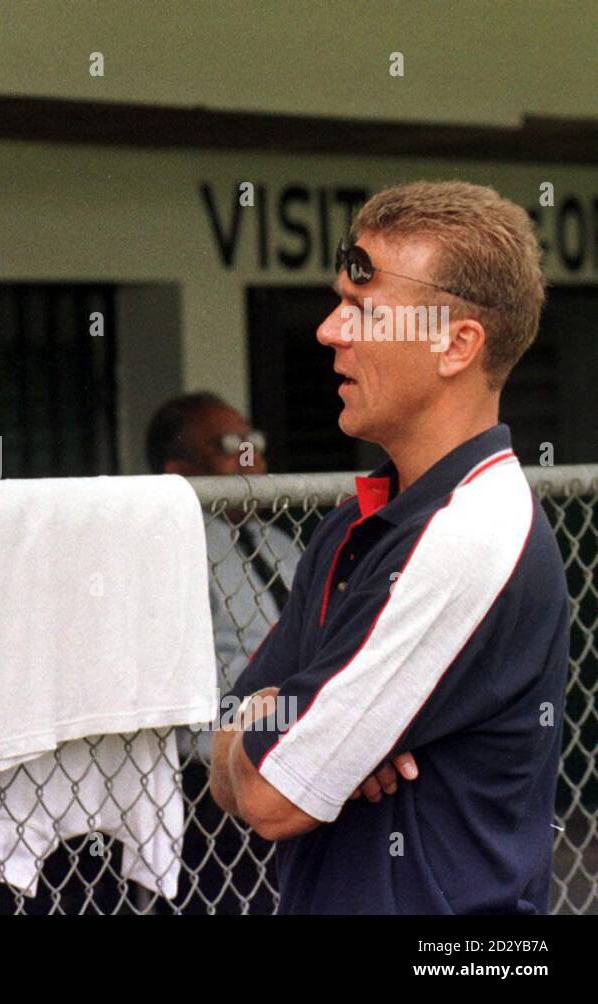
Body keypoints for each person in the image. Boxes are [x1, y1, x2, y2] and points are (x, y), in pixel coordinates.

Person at [211, 180, 566, 914]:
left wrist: (296, 733)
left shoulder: (470, 528)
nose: (329, 331)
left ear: (457, 344)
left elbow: (271, 795)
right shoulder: (358, 520)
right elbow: (227, 755)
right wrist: (305, 732)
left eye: (364, 310)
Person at [146, 392, 297, 913]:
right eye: (231, 447)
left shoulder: (282, 542)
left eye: (254, 441)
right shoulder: (168, 549)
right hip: (213, 772)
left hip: (301, 747)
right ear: (180, 472)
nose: (252, 457)